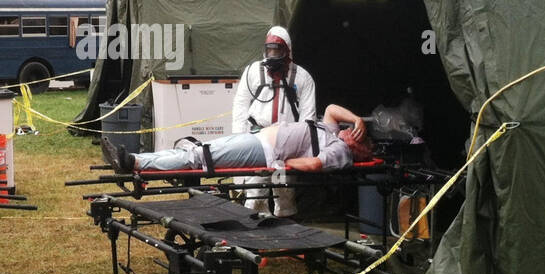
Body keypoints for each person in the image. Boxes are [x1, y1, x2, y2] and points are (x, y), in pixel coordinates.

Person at [103, 103, 371, 179]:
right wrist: (357, 118)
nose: (349, 130)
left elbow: (313, 164)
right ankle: (134, 161)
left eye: (355, 134)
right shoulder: (332, 130)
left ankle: (134, 161)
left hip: (265, 150)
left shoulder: (339, 150)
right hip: (259, 140)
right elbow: (334, 108)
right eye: (352, 129)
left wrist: (286, 160)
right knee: (199, 152)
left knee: (199, 158)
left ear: (356, 147)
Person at [230, 26, 317, 215]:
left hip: (286, 145)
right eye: (269, 50)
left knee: (284, 192)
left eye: (277, 50)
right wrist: (239, 141)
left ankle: (285, 235)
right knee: (255, 193)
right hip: (257, 142)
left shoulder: (302, 78)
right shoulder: (253, 72)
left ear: (287, 51)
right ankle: (255, 237)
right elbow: (240, 107)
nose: (272, 55)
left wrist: (300, 149)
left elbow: (307, 117)